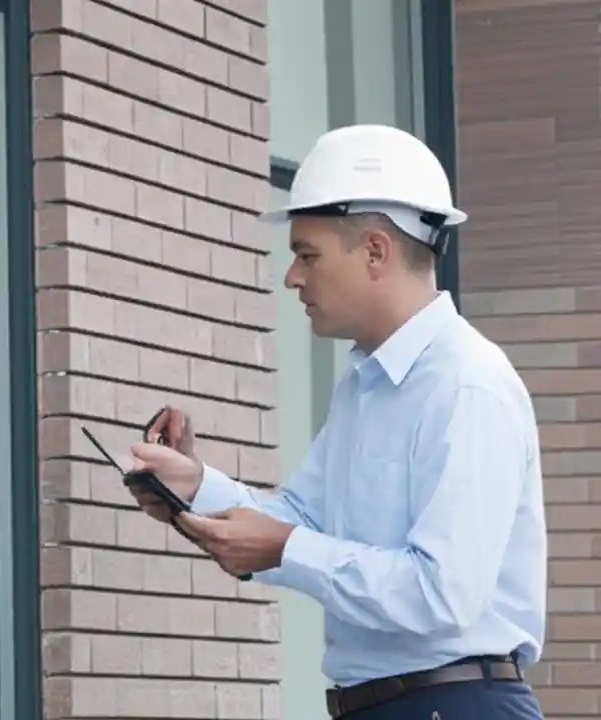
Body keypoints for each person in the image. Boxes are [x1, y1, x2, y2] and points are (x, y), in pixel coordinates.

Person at [127, 124, 546, 720]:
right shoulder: (366, 386)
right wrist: (193, 488)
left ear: (376, 251)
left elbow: (441, 593)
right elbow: (303, 520)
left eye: (307, 254)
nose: (292, 278)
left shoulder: (467, 385)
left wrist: (287, 548)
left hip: (454, 705)